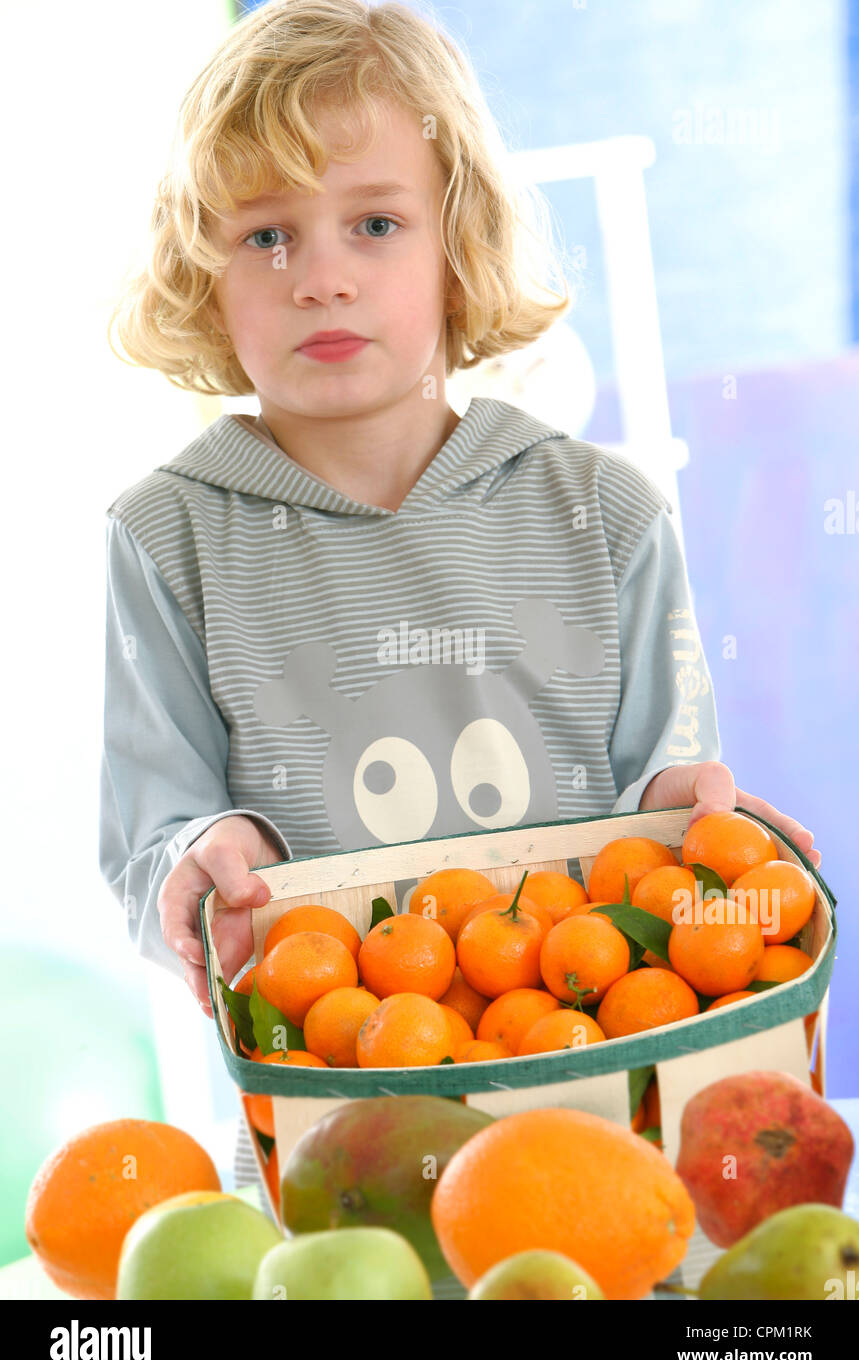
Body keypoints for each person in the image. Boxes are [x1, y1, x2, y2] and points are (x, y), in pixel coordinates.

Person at [99, 0, 820, 1202]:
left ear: (457, 245)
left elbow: (662, 816)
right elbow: (147, 847)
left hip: (601, 1141)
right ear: (201, 273)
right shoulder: (168, 537)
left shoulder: (608, 515)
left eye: (373, 222)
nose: (320, 276)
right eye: (265, 235)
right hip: (329, 1163)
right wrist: (197, 856)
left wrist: (702, 823)